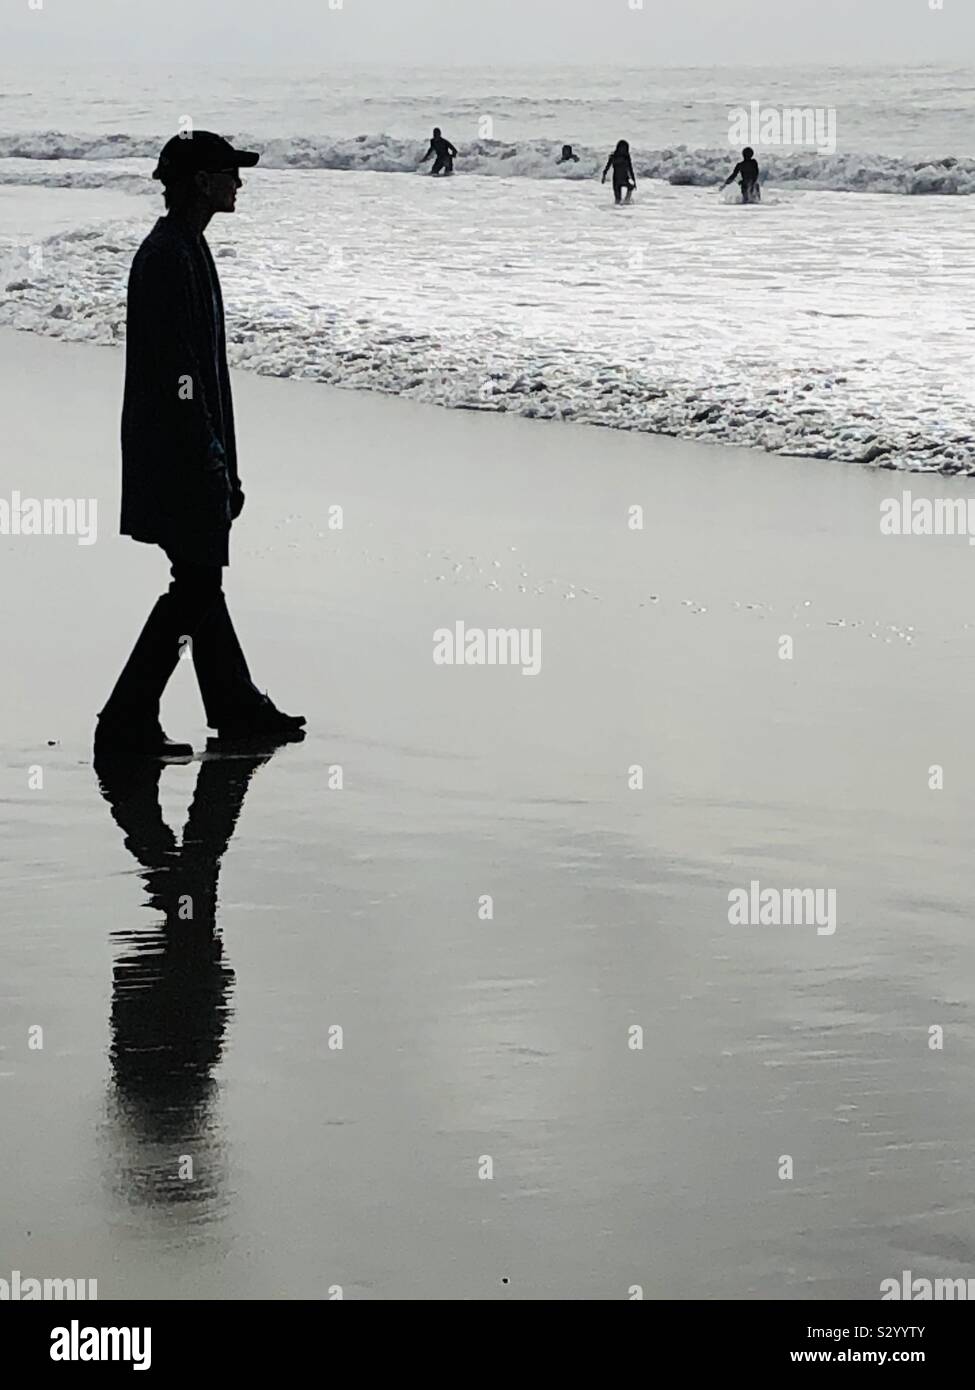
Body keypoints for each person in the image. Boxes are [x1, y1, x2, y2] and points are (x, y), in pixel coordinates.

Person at [94, 130, 305, 759]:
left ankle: (235, 705)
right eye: (228, 172)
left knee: (199, 581)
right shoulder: (169, 257)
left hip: (182, 444)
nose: (238, 183)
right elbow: (180, 373)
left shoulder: (186, 248)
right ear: (200, 183)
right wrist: (208, 455)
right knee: (195, 587)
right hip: (178, 450)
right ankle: (126, 717)